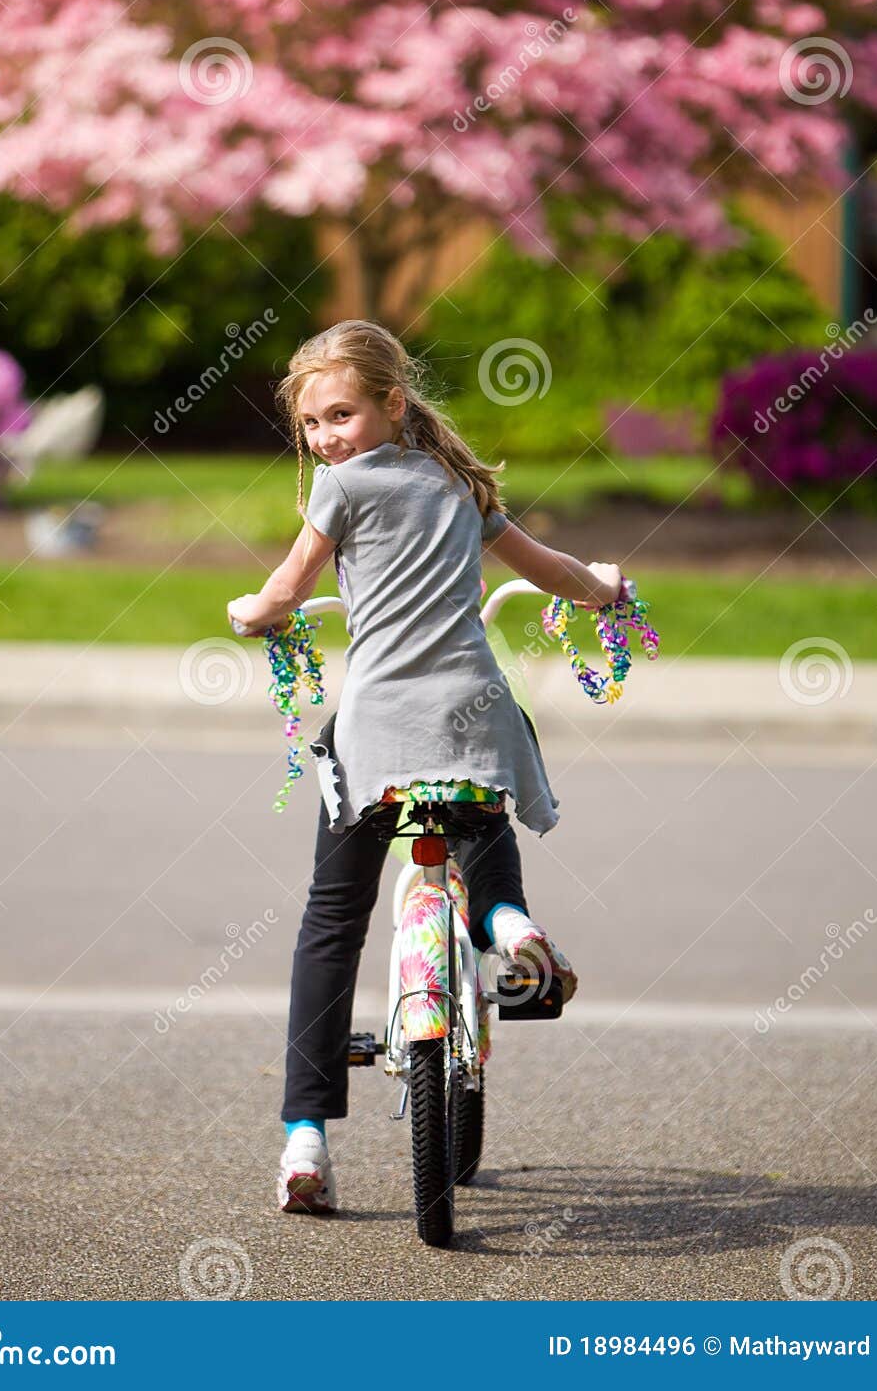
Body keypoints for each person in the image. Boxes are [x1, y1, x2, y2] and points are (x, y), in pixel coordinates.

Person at [226, 320, 621, 1216]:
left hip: (377, 726)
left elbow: (286, 589)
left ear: (390, 404)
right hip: (471, 711)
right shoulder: (460, 484)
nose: (327, 438)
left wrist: (252, 614)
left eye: (341, 414)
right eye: (314, 426)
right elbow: (548, 570)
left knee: (333, 918)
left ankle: (304, 1139)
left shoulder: (338, 488)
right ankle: (513, 928)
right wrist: (603, 589)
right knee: (480, 812)